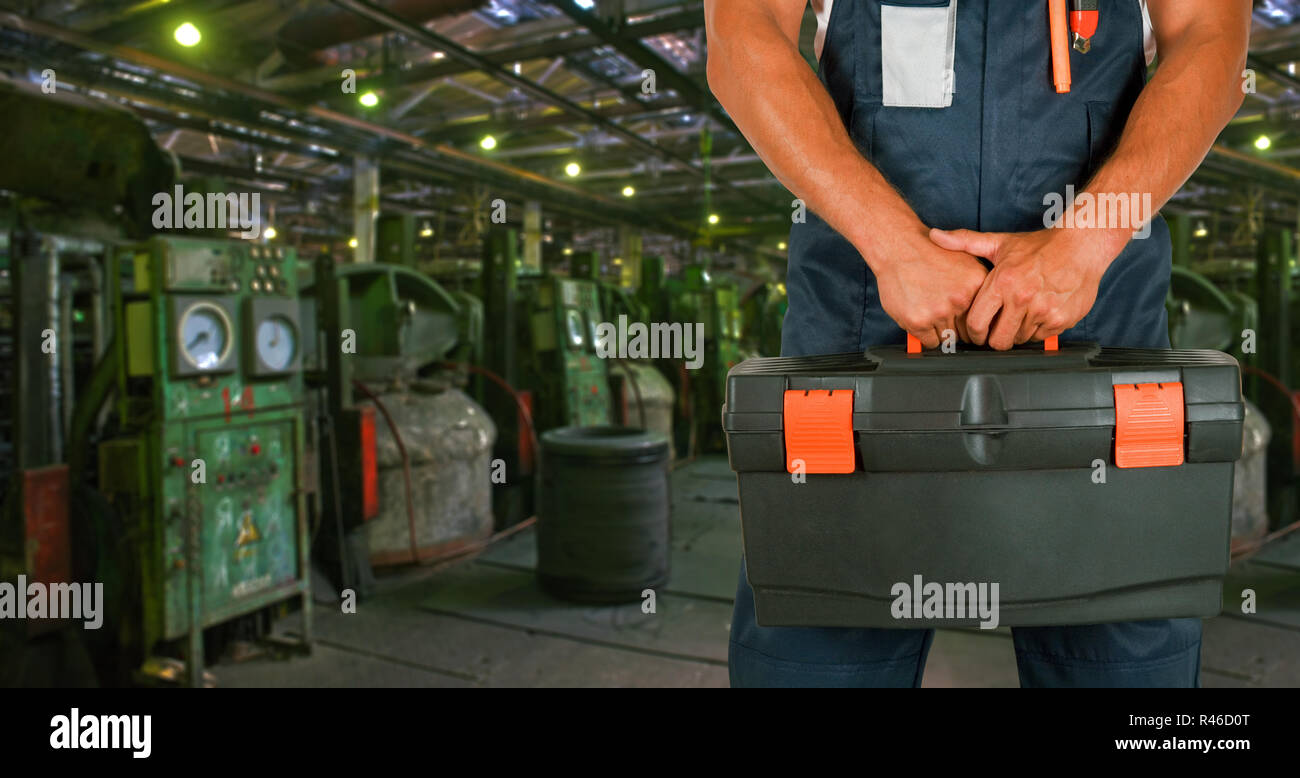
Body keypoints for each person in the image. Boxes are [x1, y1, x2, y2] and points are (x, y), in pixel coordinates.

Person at [705, 0, 1251, 687]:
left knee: (1121, 656)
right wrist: (893, 246)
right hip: (858, 327)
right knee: (818, 644)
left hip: (1099, 326)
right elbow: (741, 34)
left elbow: (1211, 39)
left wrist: (1081, 246)